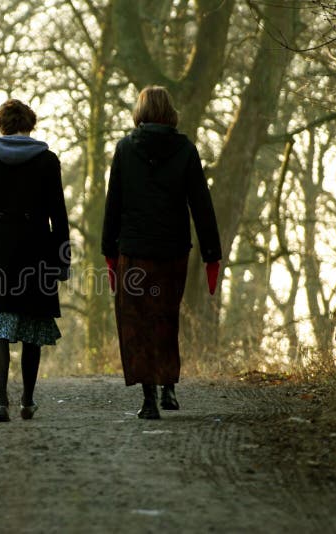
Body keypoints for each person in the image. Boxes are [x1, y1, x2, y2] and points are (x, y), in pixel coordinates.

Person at [101, 86, 221, 420]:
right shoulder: (185, 149)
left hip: (135, 253)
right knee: (165, 317)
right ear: (170, 112)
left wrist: (108, 247)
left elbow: (115, 202)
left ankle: (149, 397)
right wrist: (212, 251)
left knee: (135, 323)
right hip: (173, 252)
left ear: (140, 112)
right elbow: (200, 203)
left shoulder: (125, 149)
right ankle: (168, 387)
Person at [0, 99, 70, 423]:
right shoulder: (47, 161)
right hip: (36, 251)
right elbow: (58, 216)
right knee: (32, 327)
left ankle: (1, 401)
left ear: (0, 125)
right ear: (30, 124)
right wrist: (62, 260)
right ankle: (28, 400)